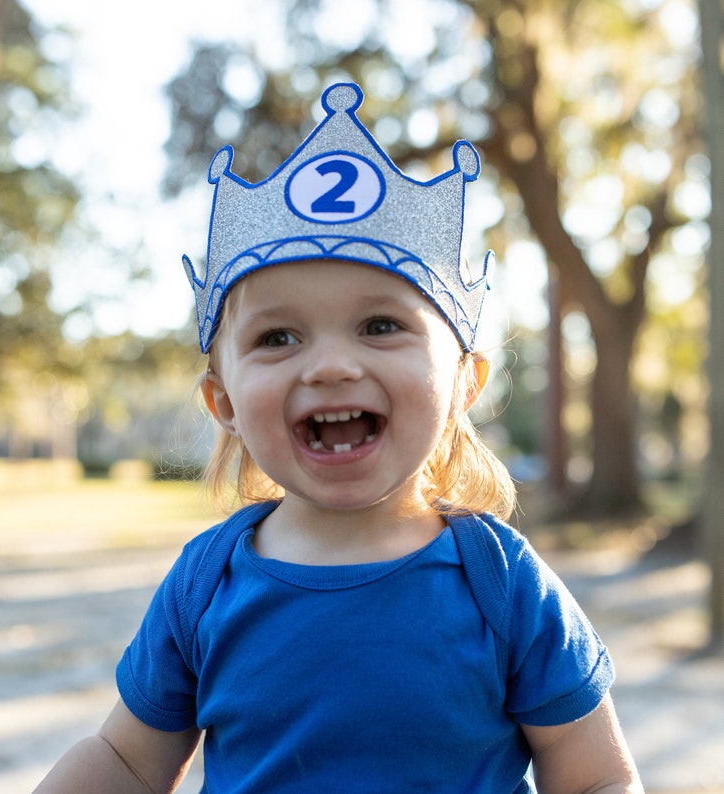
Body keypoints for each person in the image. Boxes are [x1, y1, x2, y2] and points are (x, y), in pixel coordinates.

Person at [33, 82, 642, 793]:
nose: (330, 366)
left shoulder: (500, 582)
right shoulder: (207, 583)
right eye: (278, 336)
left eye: (381, 325)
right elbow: (127, 761)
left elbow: (595, 776)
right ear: (223, 401)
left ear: (464, 384)